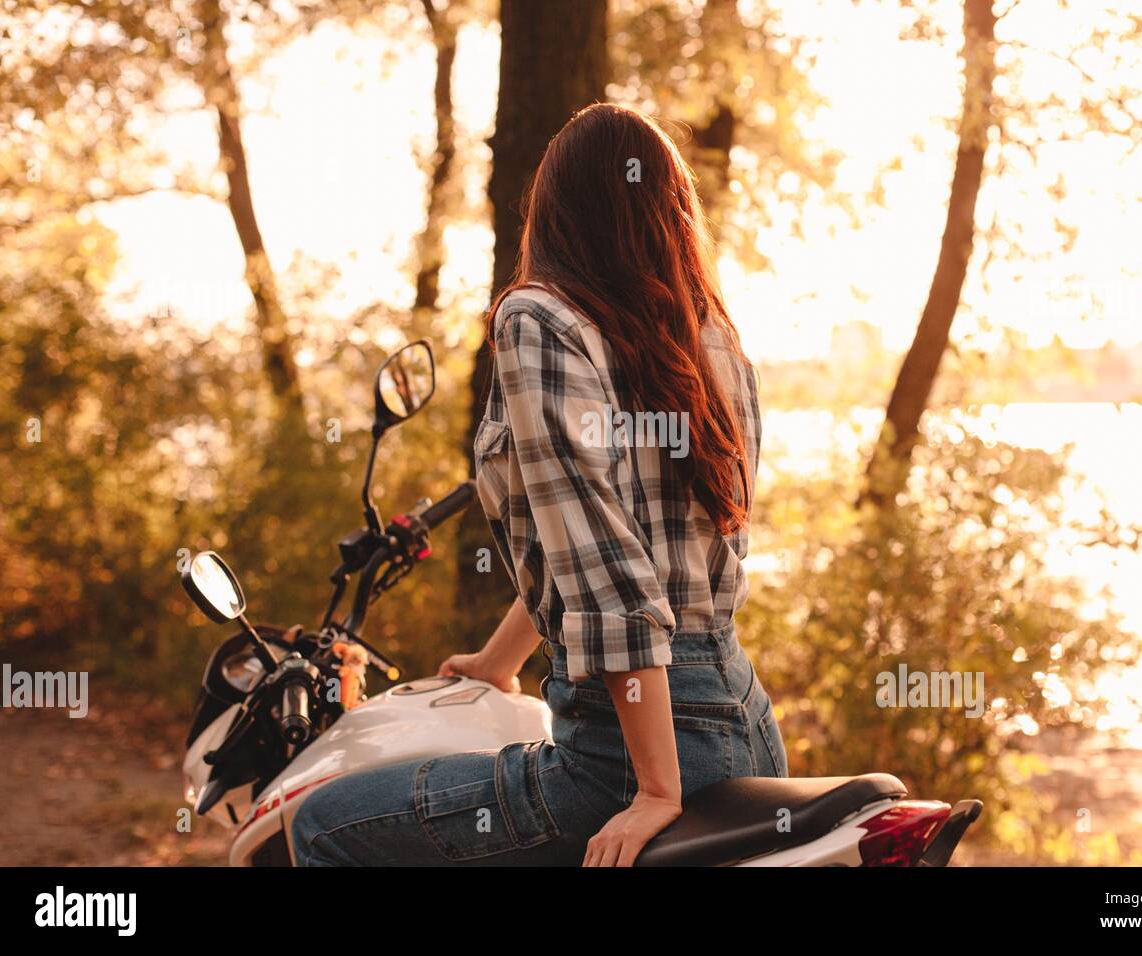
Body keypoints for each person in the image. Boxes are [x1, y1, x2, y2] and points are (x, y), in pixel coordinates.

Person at [292, 103, 786, 867]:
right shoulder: (711, 336)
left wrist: (656, 789)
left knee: (324, 826)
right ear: (672, 211)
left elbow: (613, 576)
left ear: (554, 211)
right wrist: (499, 661)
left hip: (629, 752)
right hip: (743, 724)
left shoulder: (540, 320)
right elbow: (597, 541)